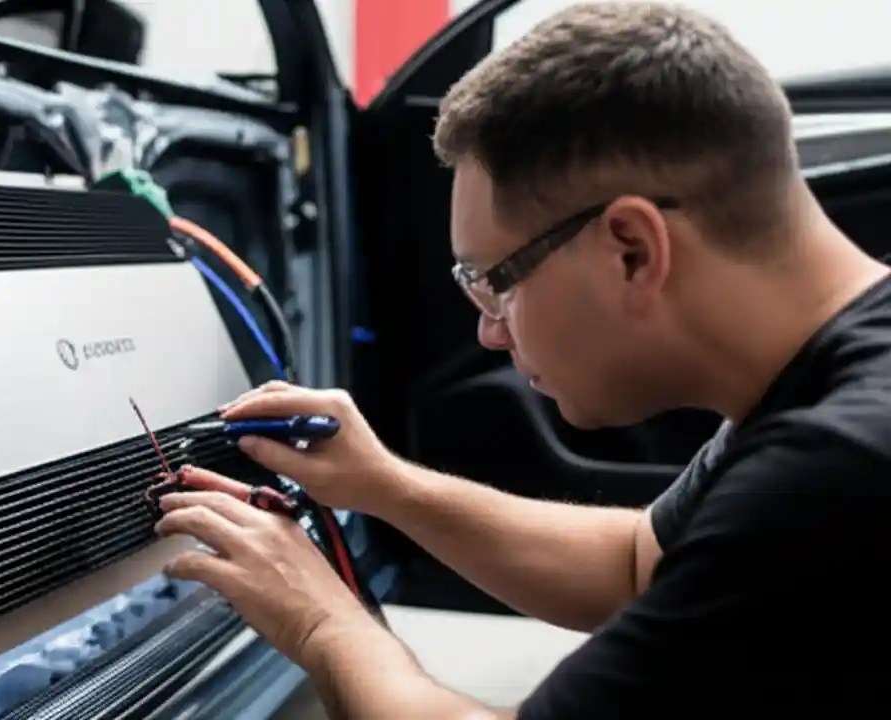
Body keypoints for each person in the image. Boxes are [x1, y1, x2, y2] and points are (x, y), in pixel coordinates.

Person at [154, 2, 891, 717]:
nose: (491, 335)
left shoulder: (842, 463)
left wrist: (319, 620)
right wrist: (382, 484)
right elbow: (638, 563)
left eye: (494, 282)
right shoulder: (827, 380)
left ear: (630, 249)